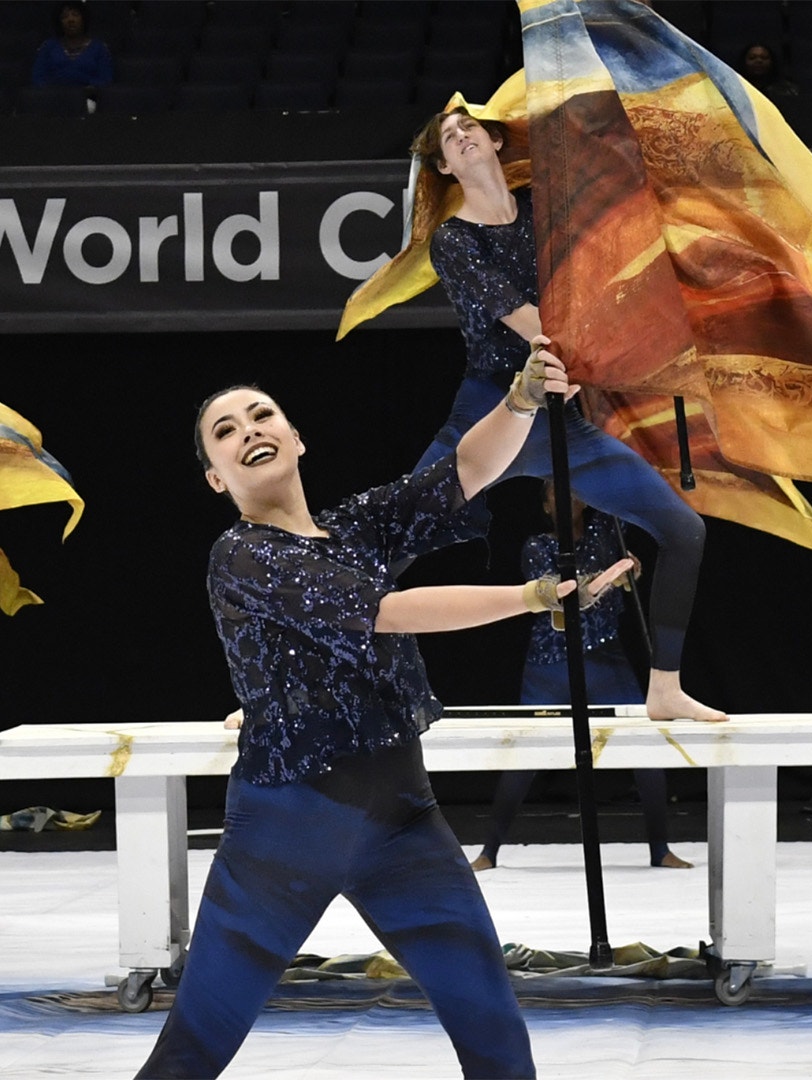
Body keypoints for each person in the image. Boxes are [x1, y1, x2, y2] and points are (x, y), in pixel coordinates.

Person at [140, 347, 628, 1078]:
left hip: (403, 820)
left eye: (262, 414)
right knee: (195, 1049)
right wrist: (529, 598)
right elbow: (387, 613)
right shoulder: (240, 554)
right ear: (217, 477)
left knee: (494, 1031)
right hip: (286, 834)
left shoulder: (353, 532)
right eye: (226, 431)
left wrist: (521, 401)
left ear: (298, 437)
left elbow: (461, 476)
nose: (249, 430)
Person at [407, 106, 722, 722]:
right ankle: (292, 689)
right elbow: (533, 327)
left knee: (686, 532)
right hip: (487, 415)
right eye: (448, 138)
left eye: (469, 127)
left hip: (559, 423)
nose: (462, 136)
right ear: (444, 166)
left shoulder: (547, 217)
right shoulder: (455, 240)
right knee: (387, 542)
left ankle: (664, 688)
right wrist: (608, 350)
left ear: (495, 139)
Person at [471, 483, 691, 872]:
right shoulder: (536, 546)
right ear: (544, 504)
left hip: (606, 659)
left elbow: (624, 508)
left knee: (645, 748)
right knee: (523, 756)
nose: (566, 498)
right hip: (549, 663)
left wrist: (630, 571)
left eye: (573, 492)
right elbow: (558, 596)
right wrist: (606, 579)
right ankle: (489, 851)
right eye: (556, 493)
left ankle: (660, 847)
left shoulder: (607, 531)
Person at [30, 1, 112, 92]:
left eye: (75, 15)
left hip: (89, 100)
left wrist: (83, 88)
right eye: (65, 17)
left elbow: (105, 80)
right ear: (59, 22)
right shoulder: (48, 46)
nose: (70, 20)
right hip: (52, 98)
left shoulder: (99, 48)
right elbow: (37, 79)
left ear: (83, 19)